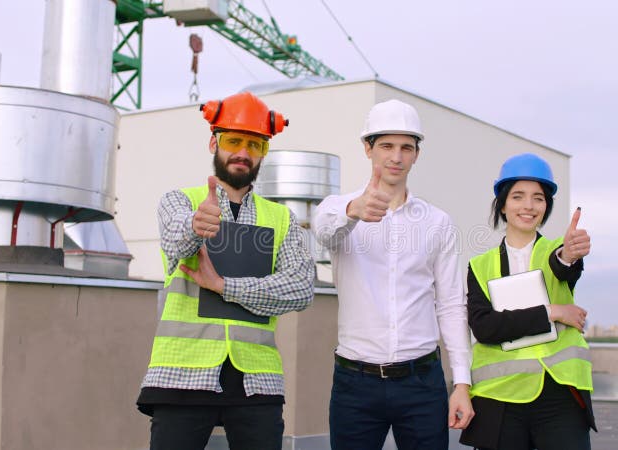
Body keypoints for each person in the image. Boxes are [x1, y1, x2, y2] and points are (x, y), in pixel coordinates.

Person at [136, 91, 315, 450]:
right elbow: (175, 244)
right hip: (182, 375)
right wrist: (196, 226)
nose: (243, 153)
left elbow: (301, 288)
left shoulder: (281, 218)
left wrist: (224, 286)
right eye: (233, 141)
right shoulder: (180, 201)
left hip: (257, 380)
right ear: (213, 143)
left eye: (255, 145)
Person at [311, 99, 475, 450]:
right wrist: (353, 211)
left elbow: (450, 305)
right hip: (355, 384)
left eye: (406, 147)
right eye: (386, 146)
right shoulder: (337, 209)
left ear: (417, 154)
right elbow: (323, 231)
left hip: (422, 382)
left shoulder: (437, 222)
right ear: (368, 148)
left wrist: (462, 383)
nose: (396, 157)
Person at [459, 153, 596, 450]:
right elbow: (485, 328)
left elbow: (564, 265)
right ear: (503, 204)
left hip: (558, 395)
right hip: (500, 399)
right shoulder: (480, 265)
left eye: (538, 198)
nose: (528, 206)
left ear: (546, 206)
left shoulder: (557, 251)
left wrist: (570, 255)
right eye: (518, 196)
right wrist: (552, 312)